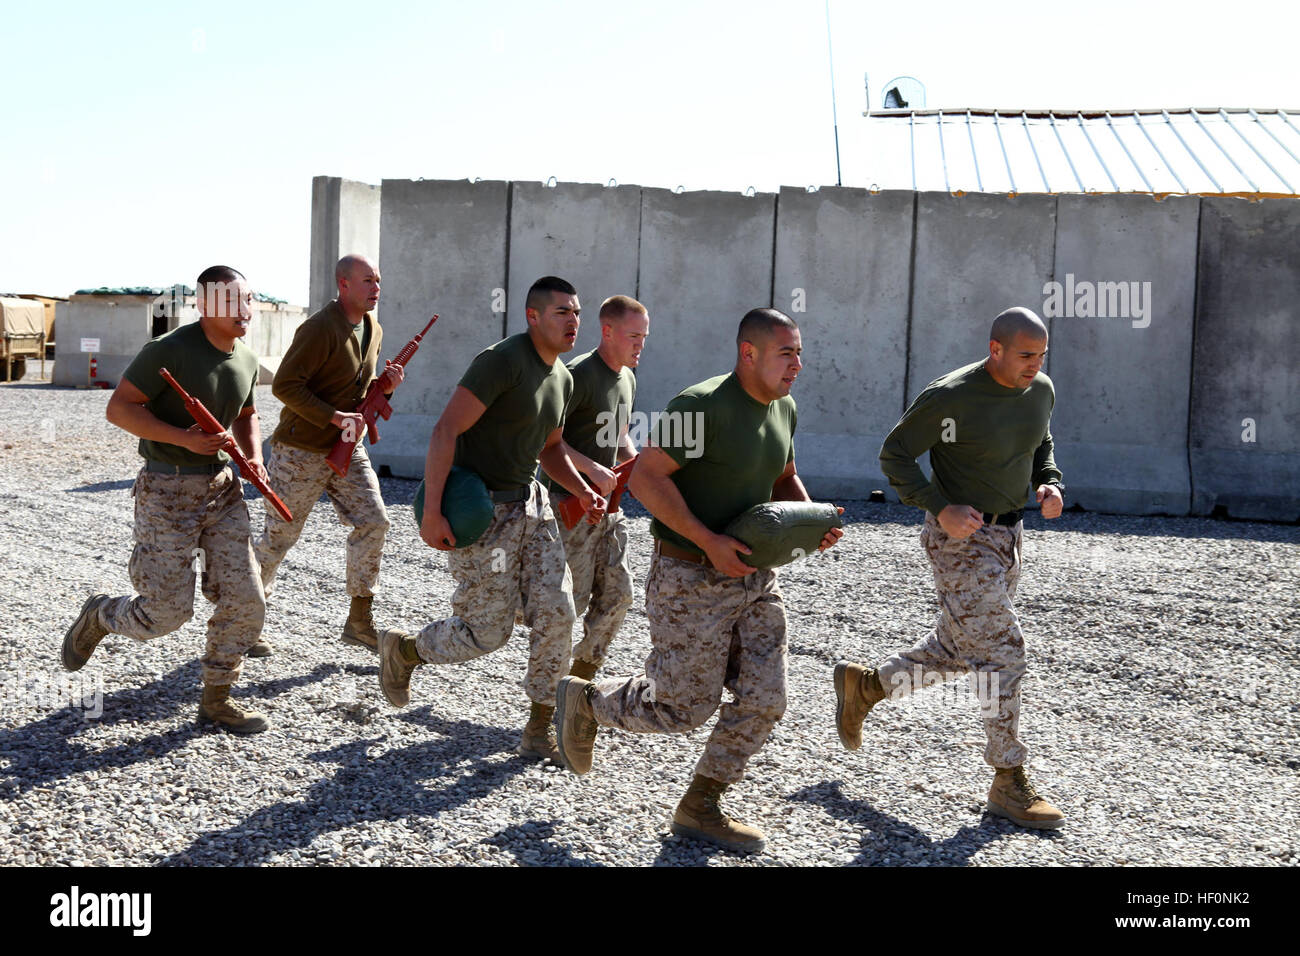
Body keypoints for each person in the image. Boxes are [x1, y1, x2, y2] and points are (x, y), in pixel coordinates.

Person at [553, 308, 844, 853]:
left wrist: (811, 522)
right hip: (690, 575)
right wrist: (709, 540)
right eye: (787, 353)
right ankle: (588, 703)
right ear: (749, 353)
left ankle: (700, 806)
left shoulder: (785, 408)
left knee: (766, 699)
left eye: (799, 353)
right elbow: (645, 476)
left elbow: (783, 475)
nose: (797, 365)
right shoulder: (702, 405)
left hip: (756, 578)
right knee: (682, 708)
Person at [835, 306, 1067, 829]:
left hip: (1010, 536)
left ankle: (865, 688)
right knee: (1003, 651)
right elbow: (895, 454)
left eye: (1041, 355)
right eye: (1025, 355)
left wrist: (1049, 481)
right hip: (959, 540)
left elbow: (1040, 441)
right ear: (996, 350)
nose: (1035, 365)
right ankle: (1008, 779)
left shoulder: (1041, 390)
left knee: (960, 650)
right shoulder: (951, 397)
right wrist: (940, 506)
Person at [377, 276, 607, 761]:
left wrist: (583, 490)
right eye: (562, 312)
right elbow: (445, 431)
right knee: (487, 632)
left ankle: (539, 725)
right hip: (481, 514)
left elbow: (551, 447)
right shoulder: (501, 361)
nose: (573, 321)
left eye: (577, 312)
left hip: (533, 507)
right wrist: (432, 511)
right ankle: (405, 651)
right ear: (533, 316)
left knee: (558, 612)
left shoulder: (563, 378)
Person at [60, 265, 269, 733]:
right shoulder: (168, 350)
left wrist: (253, 456)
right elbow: (119, 408)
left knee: (247, 600)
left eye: (249, 300)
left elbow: (248, 415)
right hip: (167, 492)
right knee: (166, 614)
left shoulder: (247, 359)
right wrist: (182, 438)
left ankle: (216, 700)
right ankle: (101, 614)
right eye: (233, 302)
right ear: (205, 306)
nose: (245, 311)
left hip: (222, 491)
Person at [252, 254, 400, 655]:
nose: (376, 288)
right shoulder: (319, 328)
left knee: (374, 521)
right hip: (301, 449)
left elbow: (359, 386)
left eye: (379, 281)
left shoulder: (373, 328)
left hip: (348, 448)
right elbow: (285, 385)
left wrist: (384, 388)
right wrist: (332, 417)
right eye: (367, 280)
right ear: (343, 285)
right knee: (278, 538)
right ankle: (244, 620)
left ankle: (359, 620)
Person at [539, 295, 649, 682]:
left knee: (619, 595)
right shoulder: (575, 375)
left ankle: (579, 680)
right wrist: (591, 469)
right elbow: (545, 443)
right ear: (607, 331)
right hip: (567, 504)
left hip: (608, 507)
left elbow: (618, 436)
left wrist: (635, 464)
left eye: (645, 336)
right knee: (568, 603)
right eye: (634, 335)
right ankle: (549, 690)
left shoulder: (628, 378)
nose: (640, 344)